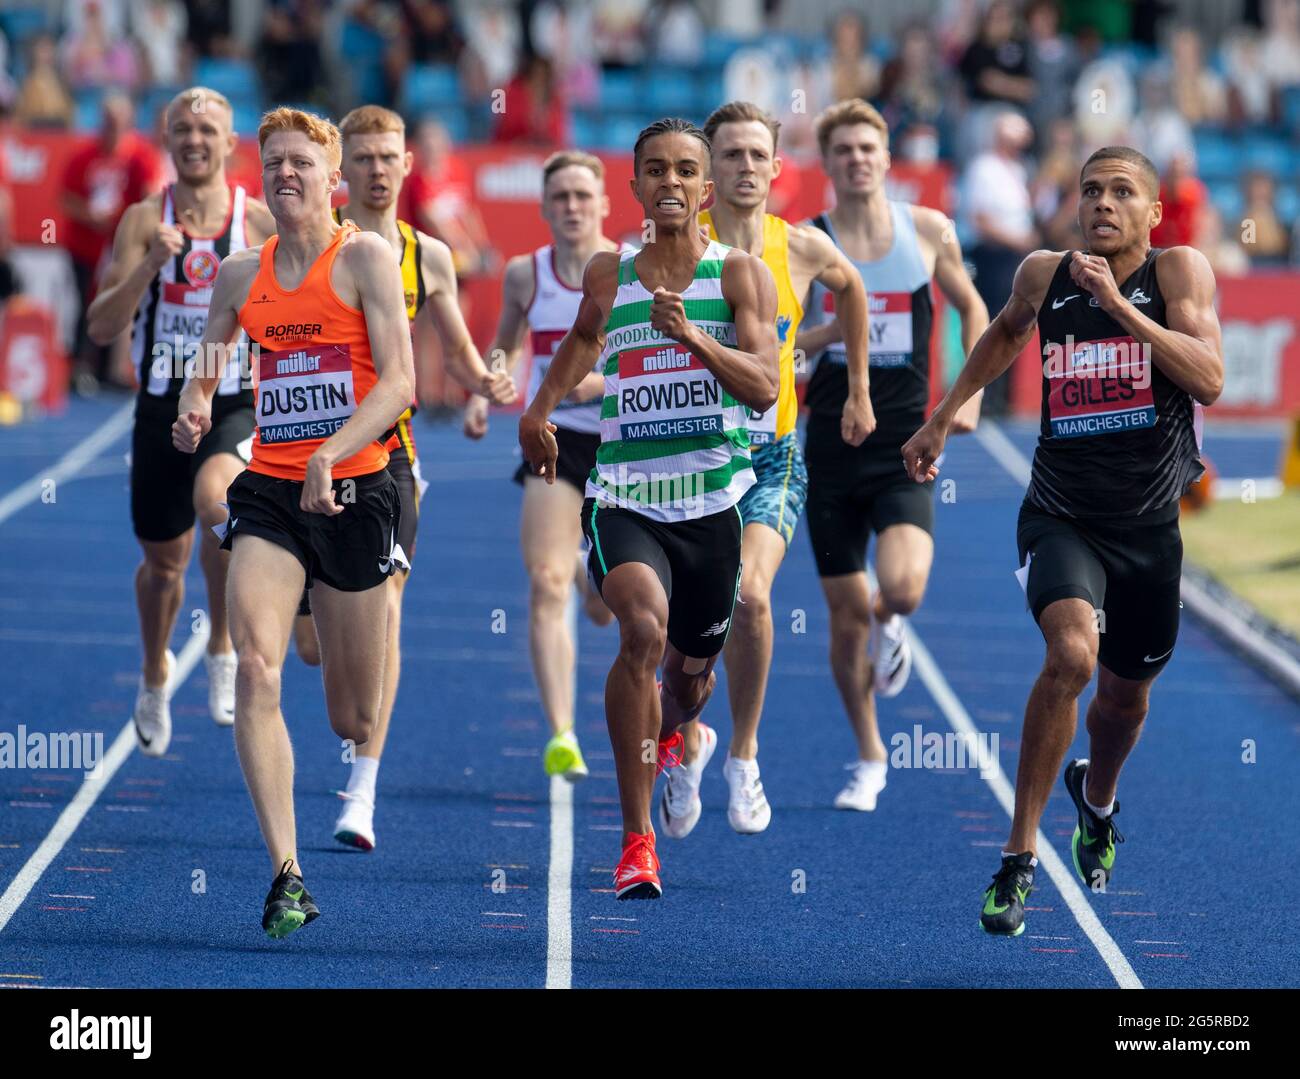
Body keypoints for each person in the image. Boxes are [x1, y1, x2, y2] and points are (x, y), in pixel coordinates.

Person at [902, 145, 1223, 936]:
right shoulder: (1043, 273)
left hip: (1149, 530)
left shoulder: (1178, 274)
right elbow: (1007, 334)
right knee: (1073, 655)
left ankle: (1098, 798)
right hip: (1061, 514)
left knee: (1121, 703)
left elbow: (1209, 377)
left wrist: (1119, 307)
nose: (1103, 203)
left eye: (1122, 192)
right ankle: (1018, 856)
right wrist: (944, 414)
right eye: (1090, 190)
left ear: (1152, 212)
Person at [518, 118, 778, 899]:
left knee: (692, 682)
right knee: (640, 627)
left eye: (684, 171)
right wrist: (540, 408)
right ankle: (635, 843)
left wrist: (695, 339)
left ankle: (675, 736)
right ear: (633, 187)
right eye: (654, 170)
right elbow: (582, 341)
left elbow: (765, 385)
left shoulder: (740, 276)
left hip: (712, 502)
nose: (670, 182)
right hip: (625, 495)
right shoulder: (610, 272)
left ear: (706, 190)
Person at [173, 107, 416, 937]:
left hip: (354, 492)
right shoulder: (243, 273)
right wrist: (196, 407)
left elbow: (399, 385)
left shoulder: (367, 261)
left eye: (301, 164)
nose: (285, 174)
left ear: (332, 177)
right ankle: (287, 872)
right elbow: (205, 366)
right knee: (257, 671)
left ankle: (330, 608)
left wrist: (331, 453)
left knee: (350, 715)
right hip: (272, 491)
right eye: (273, 161)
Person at [292, 104, 515, 850]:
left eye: (390, 157)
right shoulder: (313, 249)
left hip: (391, 463)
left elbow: (455, 353)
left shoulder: (429, 256)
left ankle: (363, 786)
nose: (378, 170)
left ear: (408, 166)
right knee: (317, 649)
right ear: (340, 171)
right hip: (301, 462)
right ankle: (315, 624)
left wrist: (491, 382)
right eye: (363, 159)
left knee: (387, 610)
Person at [657, 100, 871, 839]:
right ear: (708, 170)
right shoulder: (679, 248)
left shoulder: (802, 248)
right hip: (689, 458)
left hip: (774, 456)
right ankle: (689, 741)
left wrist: (858, 392)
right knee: (679, 632)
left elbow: (856, 294)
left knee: (749, 597)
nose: (745, 167)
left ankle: (742, 756)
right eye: (731, 155)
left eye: (758, 155)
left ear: (778, 169)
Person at [796, 99, 988, 812]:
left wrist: (967, 395)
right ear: (830, 162)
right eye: (842, 149)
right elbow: (793, 331)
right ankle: (870, 755)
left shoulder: (929, 230)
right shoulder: (806, 242)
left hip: (907, 439)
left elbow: (974, 309)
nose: (856, 159)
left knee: (901, 589)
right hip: (832, 442)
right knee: (844, 620)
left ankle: (893, 622)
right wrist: (808, 342)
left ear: (885, 156)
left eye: (867, 147)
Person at [87, 87, 275, 753]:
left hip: (231, 401)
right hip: (161, 404)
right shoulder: (145, 218)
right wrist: (148, 265)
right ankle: (154, 670)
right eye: (182, 129)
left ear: (230, 145)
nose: (195, 139)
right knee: (164, 564)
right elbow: (101, 324)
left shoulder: (255, 225)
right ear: (167, 141)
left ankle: (222, 647)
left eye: (208, 129)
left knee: (217, 503)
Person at [464, 150, 620, 782]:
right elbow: (505, 342)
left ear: (605, 204)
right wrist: (484, 388)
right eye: (561, 198)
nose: (573, 208)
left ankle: (597, 575)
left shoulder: (633, 269)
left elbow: (657, 360)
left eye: (584, 196)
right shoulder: (527, 274)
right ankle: (561, 733)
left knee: (605, 605)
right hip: (553, 443)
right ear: (544, 208)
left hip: (621, 450)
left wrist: (594, 385)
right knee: (547, 581)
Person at [63, 92, 161, 392]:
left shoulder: (141, 156)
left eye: (118, 122)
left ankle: (114, 369)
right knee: (84, 304)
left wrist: (126, 220)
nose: (113, 128)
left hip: (124, 247)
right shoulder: (84, 155)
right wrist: (90, 215)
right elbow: (66, 198)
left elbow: (152, 195)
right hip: (86, 246)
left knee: (123, 302)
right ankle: (82, 365)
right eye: (108, 121)